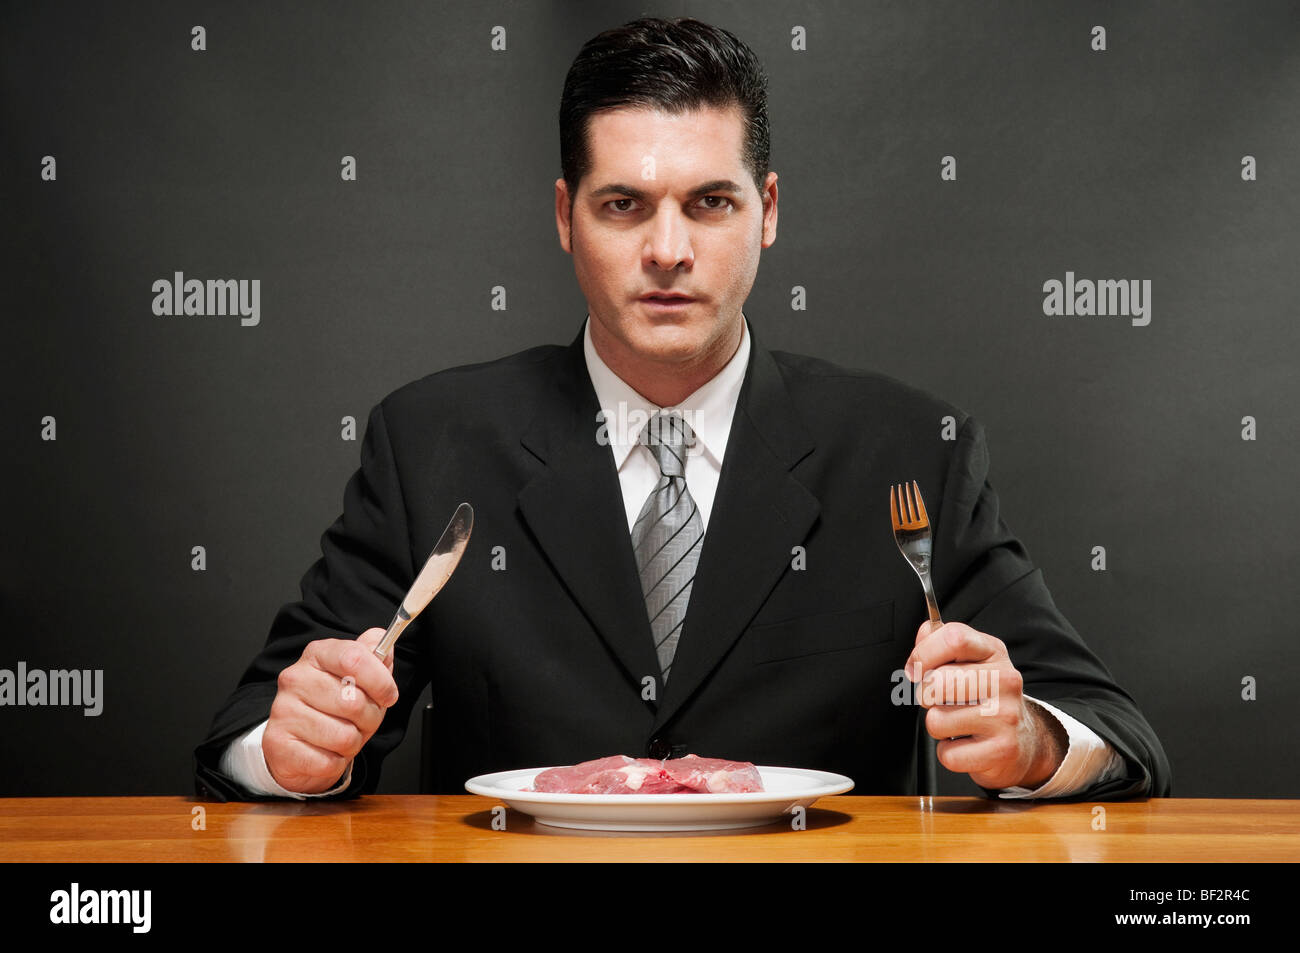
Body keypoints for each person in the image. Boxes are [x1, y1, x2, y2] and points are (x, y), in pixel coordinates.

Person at [195, 17, 1170, 802]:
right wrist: (294, 749)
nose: (667, 249)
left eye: (710, 202)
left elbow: (1108, 725)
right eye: (624, 205)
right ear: (563, 216)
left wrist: (1031, 739)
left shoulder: (910, 449)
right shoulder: (431, 443)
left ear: (770, 210)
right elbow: (247, 735)